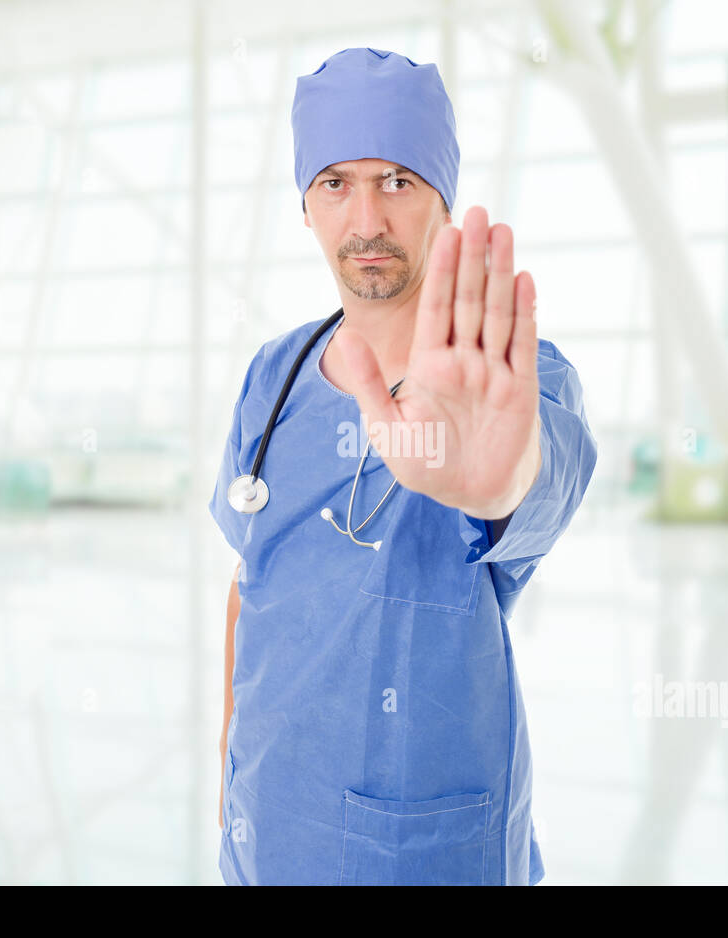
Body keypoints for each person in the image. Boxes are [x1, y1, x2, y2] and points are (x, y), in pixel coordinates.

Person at [209, 47, 597, 885]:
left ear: (441, 203)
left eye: (397, 181)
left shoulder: (507, 374)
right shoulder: (272, 377)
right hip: (265, 834)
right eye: (336, 183)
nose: (367, 221)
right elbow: (251, 581)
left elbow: (539, 476)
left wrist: (499, 478)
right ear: (306, 207)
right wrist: (228, 764)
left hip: (427, 853)